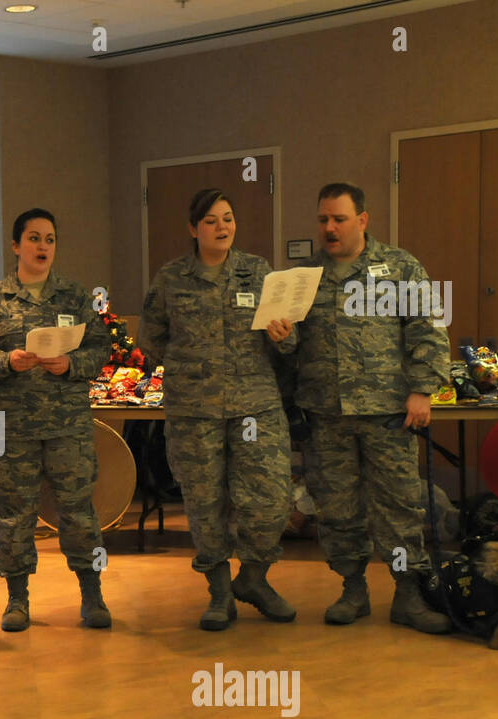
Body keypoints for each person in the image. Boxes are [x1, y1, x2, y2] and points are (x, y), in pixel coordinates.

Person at [294, 182, 450, 633]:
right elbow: (291, 349)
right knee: (337, 508)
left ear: (362, 220)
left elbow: (427, 328)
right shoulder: (304, 277)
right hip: (326, 413)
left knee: (399, 506)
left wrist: (422, 390)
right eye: (323, 219)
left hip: (389, 413)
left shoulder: (400, 268)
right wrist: (282, 340)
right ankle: (352, 590)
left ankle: (407, 594)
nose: (329, 228)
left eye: (339, 219)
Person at [140, 188, 297, 631]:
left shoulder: (258, 272)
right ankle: (218, 592)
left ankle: (252, 578)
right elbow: (149, 341)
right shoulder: (170, 279)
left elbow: (291, 342)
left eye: (227, 218)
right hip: (194, 412)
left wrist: (283, 335)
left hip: (256, 408)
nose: (222, 227)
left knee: (269, 502)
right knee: (204, 505)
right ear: (193, 229)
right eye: (211, 220)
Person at [0, 208, 113, 631]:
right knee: (14, 514)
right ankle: (17, 599)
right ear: (15, 246)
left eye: (49, 239)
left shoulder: (75, 297)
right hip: (12, 430)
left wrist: (71, 363)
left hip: (69, 428)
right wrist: (7, 359)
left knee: (80, 512)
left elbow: (101, 350)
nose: (42, 246)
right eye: (33, 238)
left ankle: (92, 594)